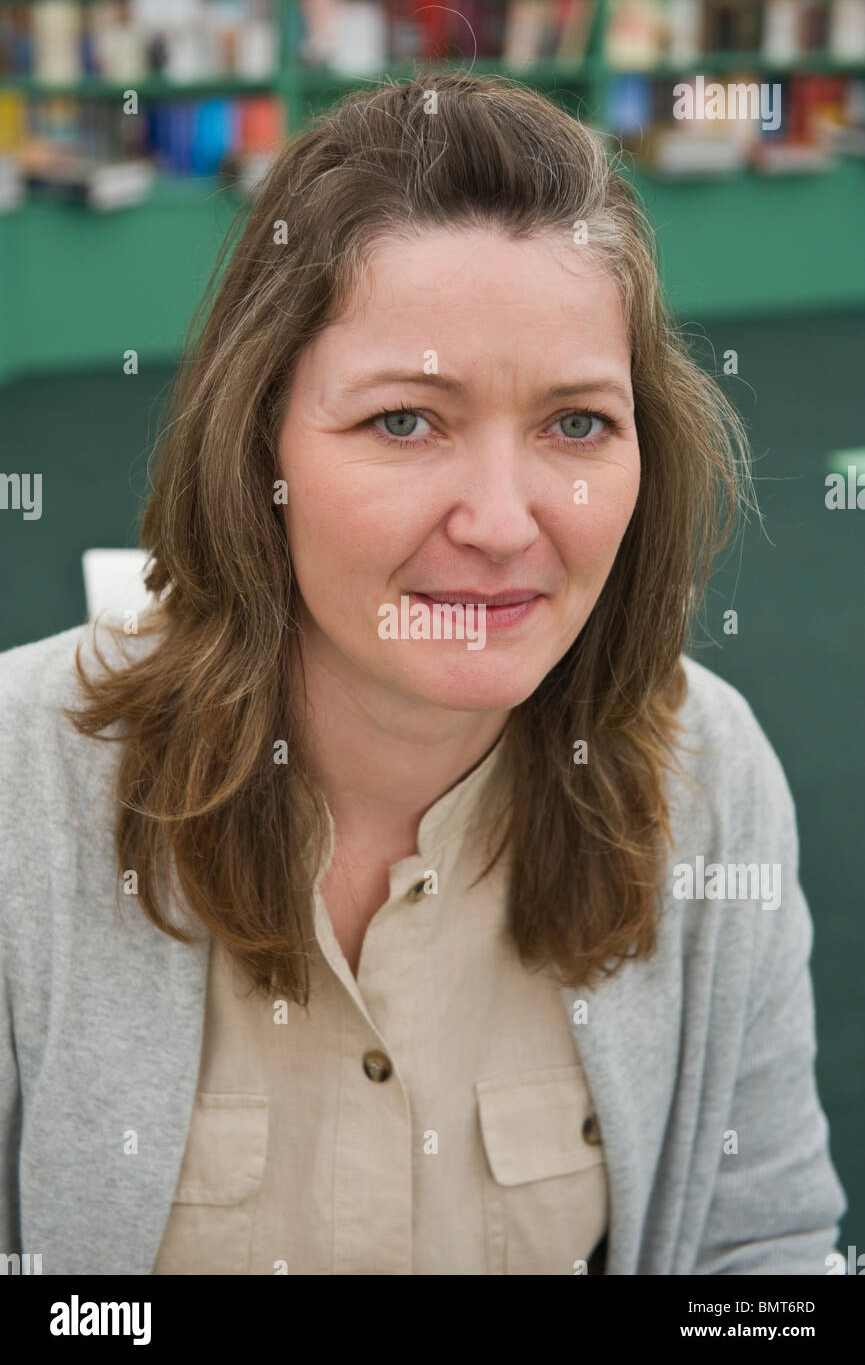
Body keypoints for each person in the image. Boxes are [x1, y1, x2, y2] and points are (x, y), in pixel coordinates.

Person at [0, 70, 846, 1276]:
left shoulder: (708, 775)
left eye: (576, 423)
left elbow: (755, 1249)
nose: (503, 523)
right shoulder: (19, 785)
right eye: (405, 421)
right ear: (258, 448)